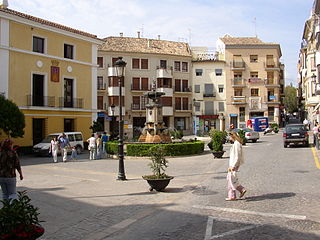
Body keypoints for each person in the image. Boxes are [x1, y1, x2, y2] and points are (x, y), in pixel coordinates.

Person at [226, 132, 246, 201]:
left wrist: (233, 166)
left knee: (230, 179)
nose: (229, 138)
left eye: (230, 137)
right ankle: (235, 193)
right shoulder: (236, 143)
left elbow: (237, 156)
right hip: (233, 164)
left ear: (233, 136)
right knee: (231, 178)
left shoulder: (237, 144)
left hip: (234, 164)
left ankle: (237, 192)